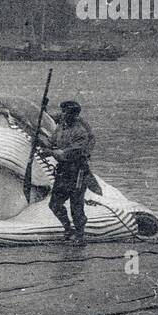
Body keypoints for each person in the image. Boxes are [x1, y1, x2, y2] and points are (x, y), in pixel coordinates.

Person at [39, 99, 95, 244]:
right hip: (63, 171)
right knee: (55, 204)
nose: (63, 115)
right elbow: (51, 142)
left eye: (66, 112)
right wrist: (40, 142)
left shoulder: (81, 132)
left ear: (74, 115)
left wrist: (50, 152)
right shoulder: (61, 128)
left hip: (77, 171)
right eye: (63, 111)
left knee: (76, 204)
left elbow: (70, 153)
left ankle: (79, 234)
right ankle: (67, 229)